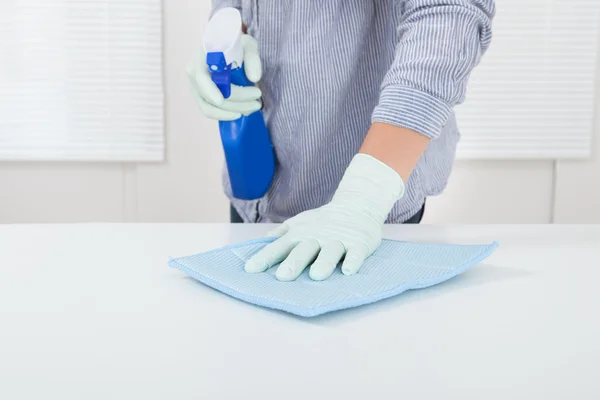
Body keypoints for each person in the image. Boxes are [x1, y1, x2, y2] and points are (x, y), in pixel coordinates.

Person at [188, 1, 495, 282]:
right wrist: (226, 32)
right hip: (252, 186)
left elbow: (445, 22)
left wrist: (365, 195)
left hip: (363, 207)